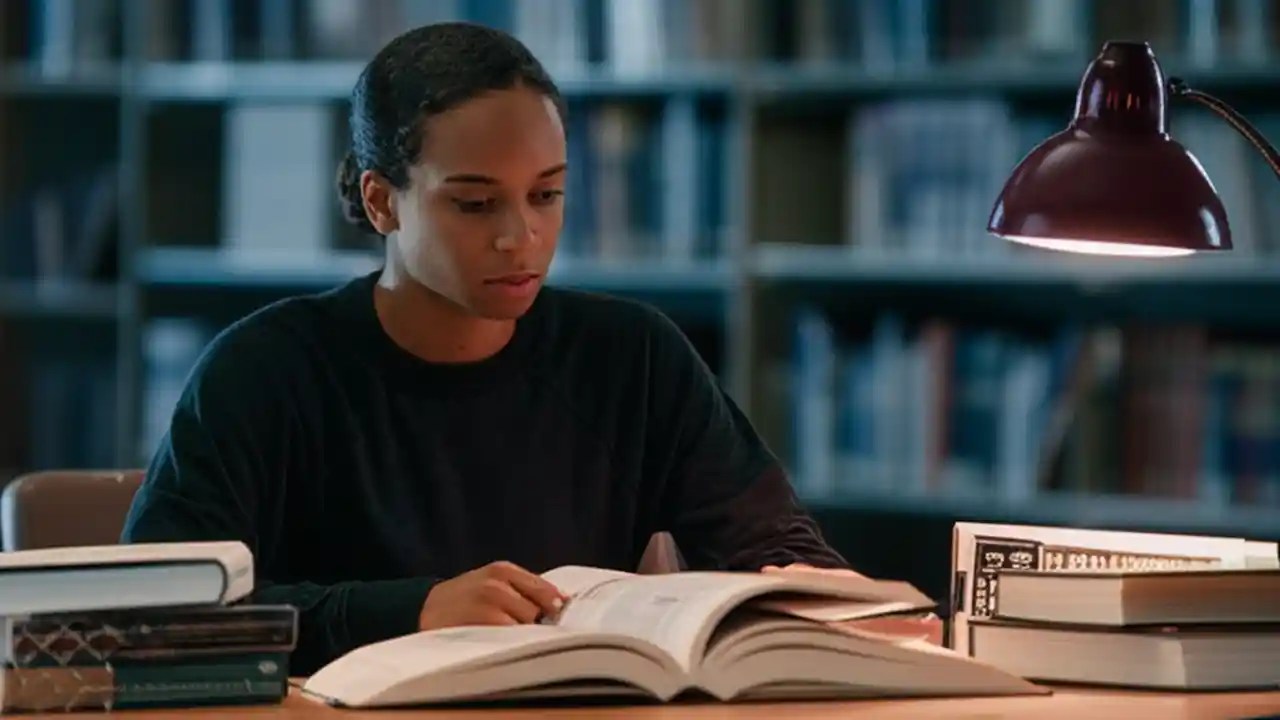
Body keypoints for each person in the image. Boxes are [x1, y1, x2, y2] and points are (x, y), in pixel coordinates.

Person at [121, 22, 853, 675]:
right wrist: (413, 610)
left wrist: (812, 590)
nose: (520, 238)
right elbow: (156, 612)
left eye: (547, 196)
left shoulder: (632, 356)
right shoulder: (265, 369)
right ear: (382, 202)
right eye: (474, 204)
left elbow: (774, 544)